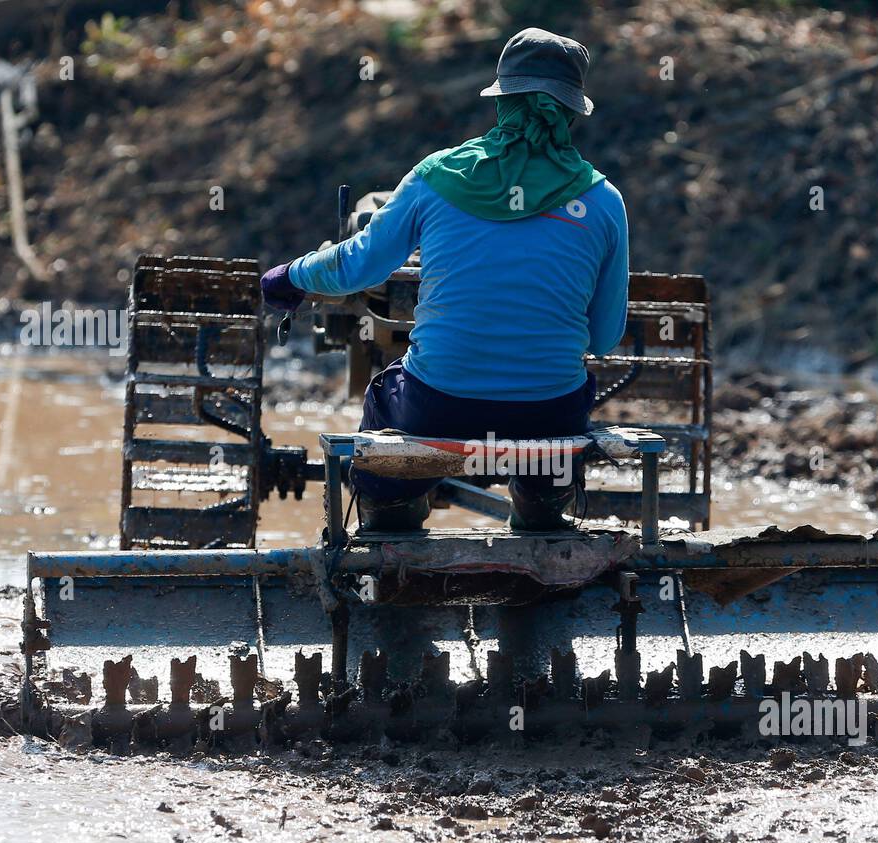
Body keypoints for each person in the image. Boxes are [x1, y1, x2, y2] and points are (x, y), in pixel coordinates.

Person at [261, 27, 629, 531]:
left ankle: (391, 515)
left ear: (502, 101)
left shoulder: (435, 177)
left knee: (385, 398)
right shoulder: (605, 202)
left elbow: (360, 266)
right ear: (570, 112)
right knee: (559, 431)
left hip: (439, 407)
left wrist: (291, 276)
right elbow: (605, 338)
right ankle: (541, 510)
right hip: (550, 417)